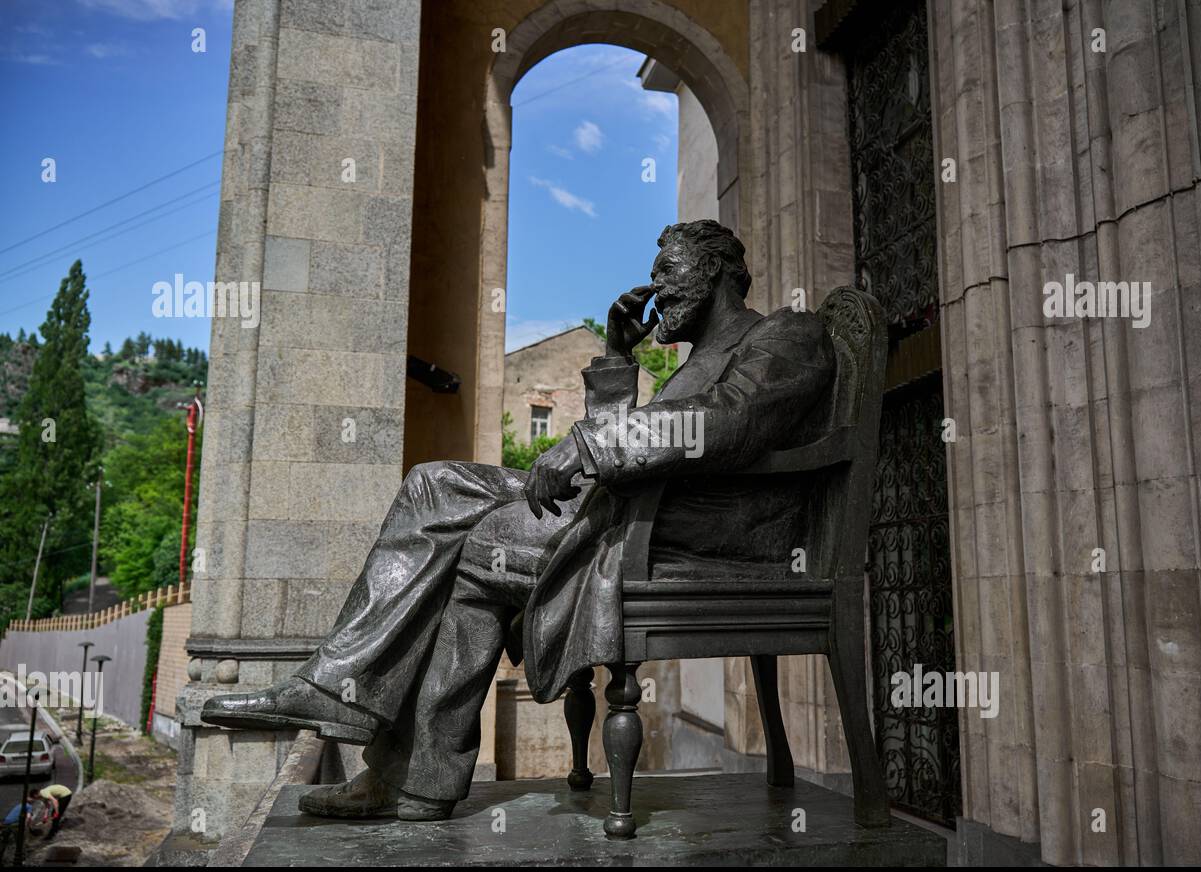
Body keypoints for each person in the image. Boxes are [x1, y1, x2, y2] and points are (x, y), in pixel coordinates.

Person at [202, 220, 835, 822]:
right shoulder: (696, 357)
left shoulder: (787, 334)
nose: (654, 284)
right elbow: (640, 439)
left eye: (669, 268)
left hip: (699, 536)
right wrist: (617, 356)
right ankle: (340, 687)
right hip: (629, 509)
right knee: (434, 484)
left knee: (475, 552)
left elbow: (727, 420)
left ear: (719, 268)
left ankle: (413, 773)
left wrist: (589, 444)